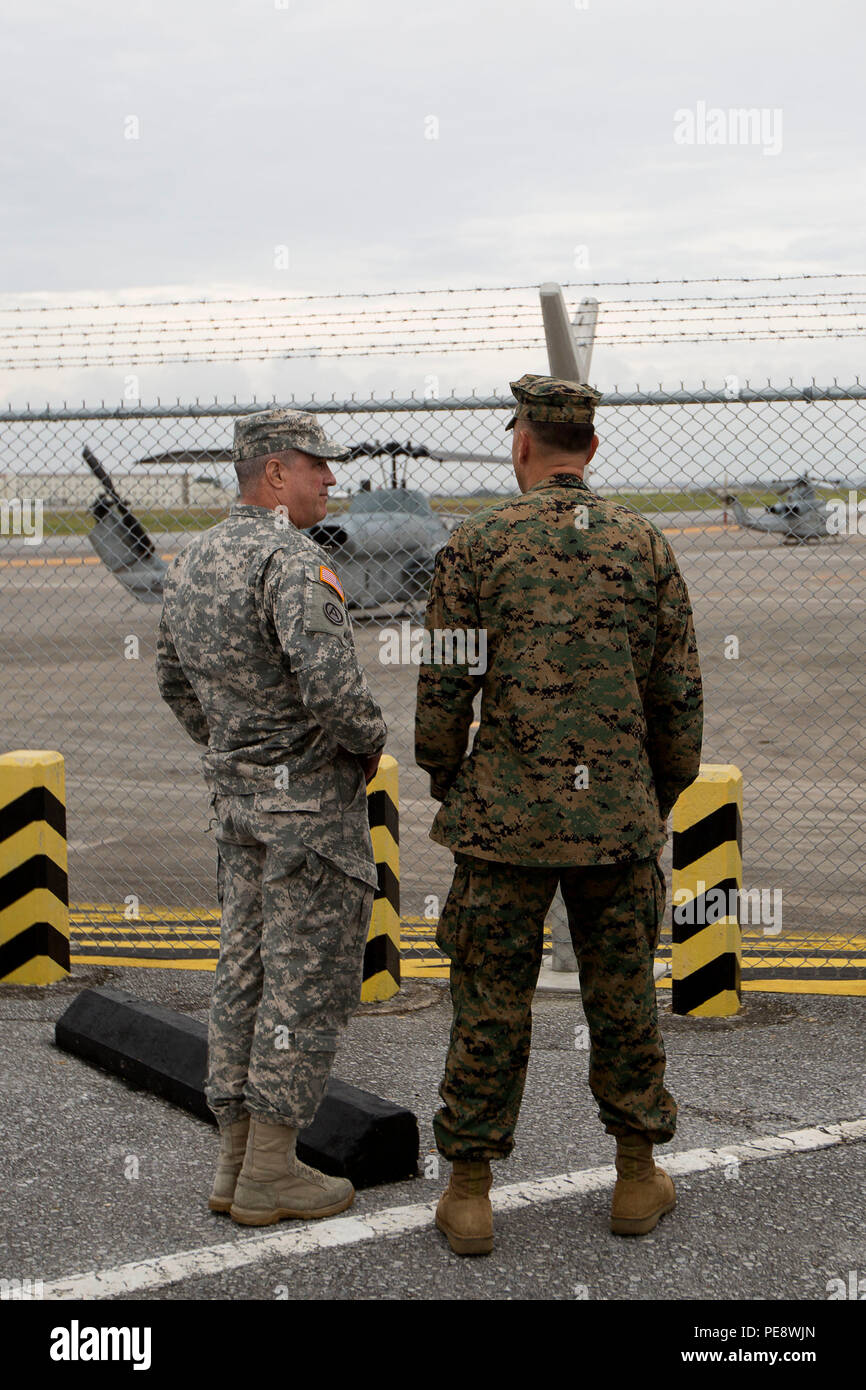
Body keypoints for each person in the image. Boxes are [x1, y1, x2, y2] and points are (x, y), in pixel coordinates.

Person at [414, 374, 703, 1254]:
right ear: (592, 446)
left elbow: (444, 685)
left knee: (489, 1003)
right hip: (616, 823)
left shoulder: (476, 545)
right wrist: (656, 790)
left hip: (502, 823)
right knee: (622, 1000)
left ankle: (468, 1193)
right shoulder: (645, 545)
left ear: (521, 444)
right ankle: (634, 1177)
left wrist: (446, 774)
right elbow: (678, 695)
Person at [156, 407, 386, 1227]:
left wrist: (236, 750)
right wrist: (367, 741)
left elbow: (174, 681)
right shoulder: (292, 561)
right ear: (276, 474)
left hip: (239, 804)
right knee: (303, 981)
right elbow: (330, 688)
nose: (330, 479)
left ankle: (232, 1165)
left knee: (243, 971)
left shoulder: (194, 561)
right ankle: (272, 1173)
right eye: (317, 466)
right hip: (309, 816)